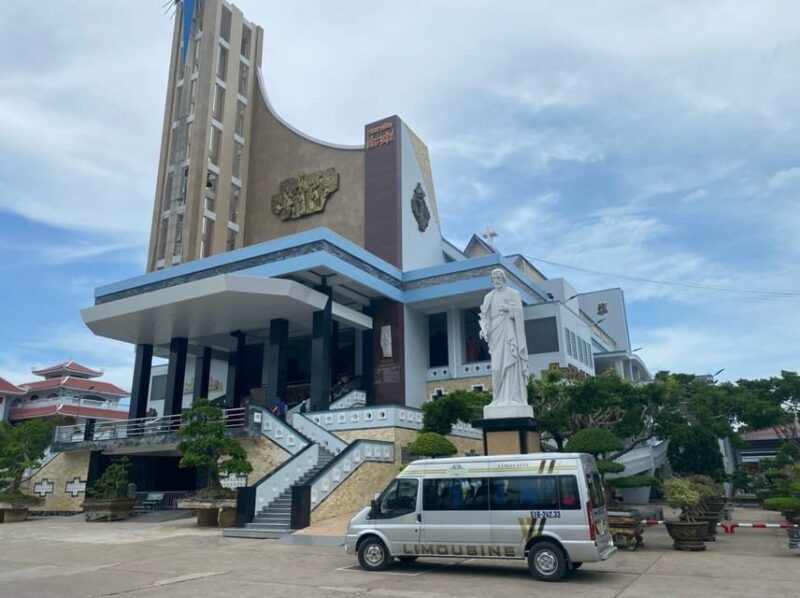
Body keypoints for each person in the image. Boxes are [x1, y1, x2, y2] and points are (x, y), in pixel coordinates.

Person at [479, 269, 529, 406]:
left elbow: (520, 314)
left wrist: (507, 308)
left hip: (509, 331)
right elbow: (485, 317)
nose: (496, 280)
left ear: (503, 278)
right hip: (495, 332)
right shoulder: (488, 297)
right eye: (493, 278)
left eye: (498, 278)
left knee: (510, 362)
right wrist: (484, 329)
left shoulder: (513, 293)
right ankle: (496, 398)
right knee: (496, 367)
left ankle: (513, 397)